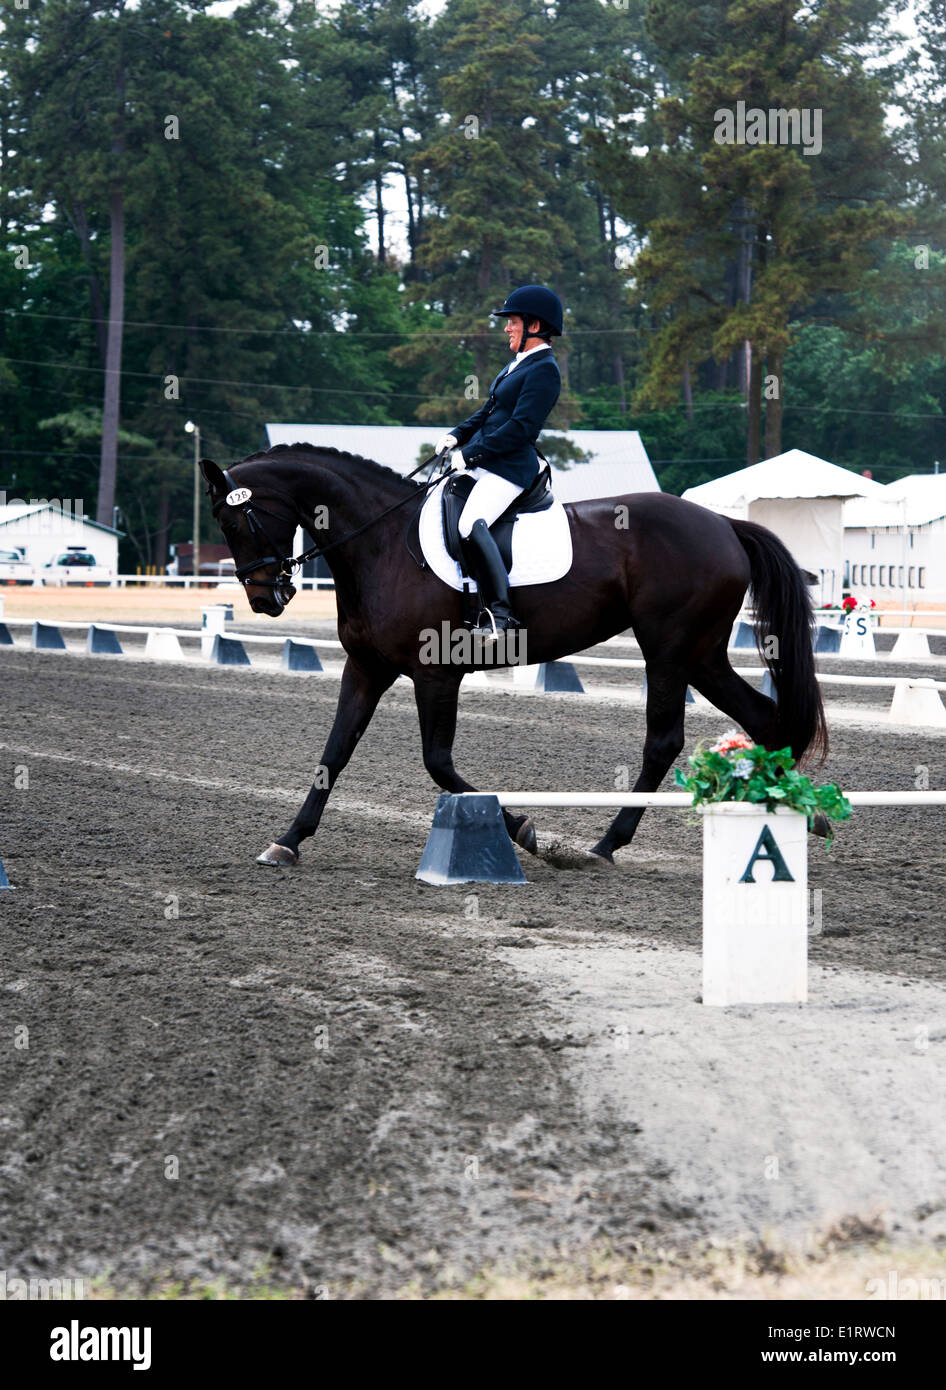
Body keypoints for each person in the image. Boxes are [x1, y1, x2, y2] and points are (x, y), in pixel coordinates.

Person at [436, 284, 563, 640]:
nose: (506, 328)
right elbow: (488, 411)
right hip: (486, 460)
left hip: (509, 468)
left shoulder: (545, 370)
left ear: (535, 325)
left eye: (512, 322)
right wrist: (457, 435)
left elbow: (521, 428)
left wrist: (472, 454)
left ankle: (501, 616)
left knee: (470, 524)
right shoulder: (517, 365)